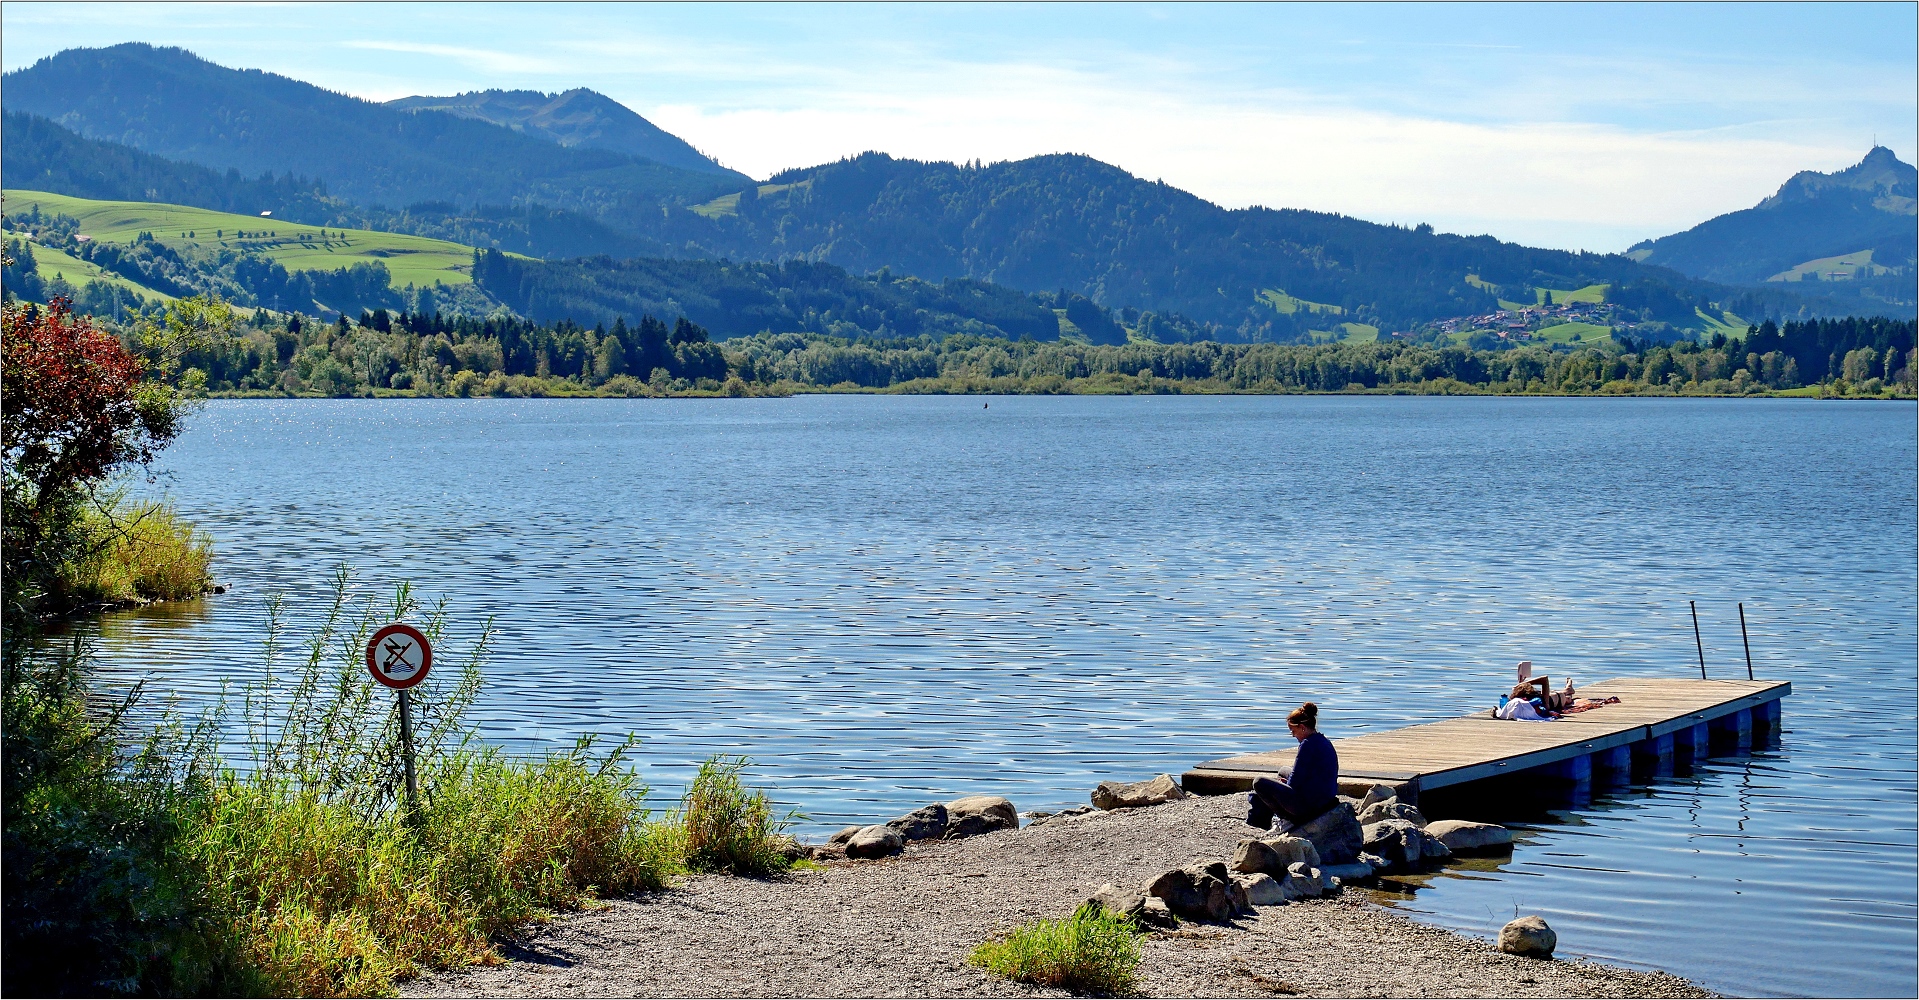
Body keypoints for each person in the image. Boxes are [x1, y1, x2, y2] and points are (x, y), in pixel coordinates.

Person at [1246, 702, 1338, 830]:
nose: (1293, 735)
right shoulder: (1322, 740)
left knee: (1259, 782)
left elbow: (1294, 783)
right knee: (1283, 770)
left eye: (1293, 731)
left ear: (1302, 727)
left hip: (1311, 806)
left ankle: (1288, 819)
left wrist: (1284, 784)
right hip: (1325, 798)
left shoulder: (1307, 745)